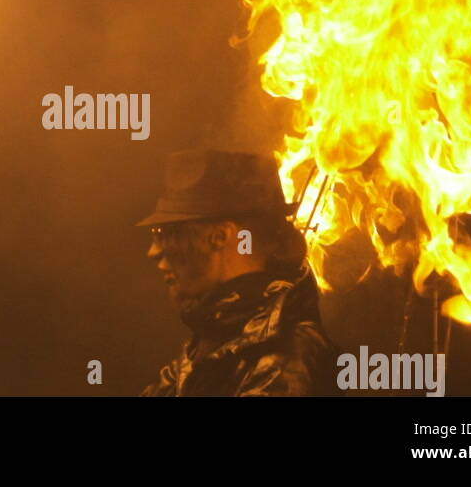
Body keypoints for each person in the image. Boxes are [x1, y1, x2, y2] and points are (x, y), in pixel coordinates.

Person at [136, 149, 338, 396]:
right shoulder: (212, 341)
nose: (153, 251)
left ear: (220, 237)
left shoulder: (286, 355)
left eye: (167, 234)